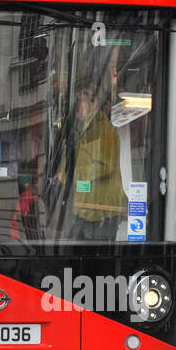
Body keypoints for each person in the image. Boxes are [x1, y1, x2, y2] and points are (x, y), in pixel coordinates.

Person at [64, 83, 125, 240]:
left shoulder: (105, 130)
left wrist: (70, 175)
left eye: (81, 99)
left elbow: (103, 166)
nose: (77, 104)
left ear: (94, 104)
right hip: (88, 206)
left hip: (101, 209)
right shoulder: (83, 128)